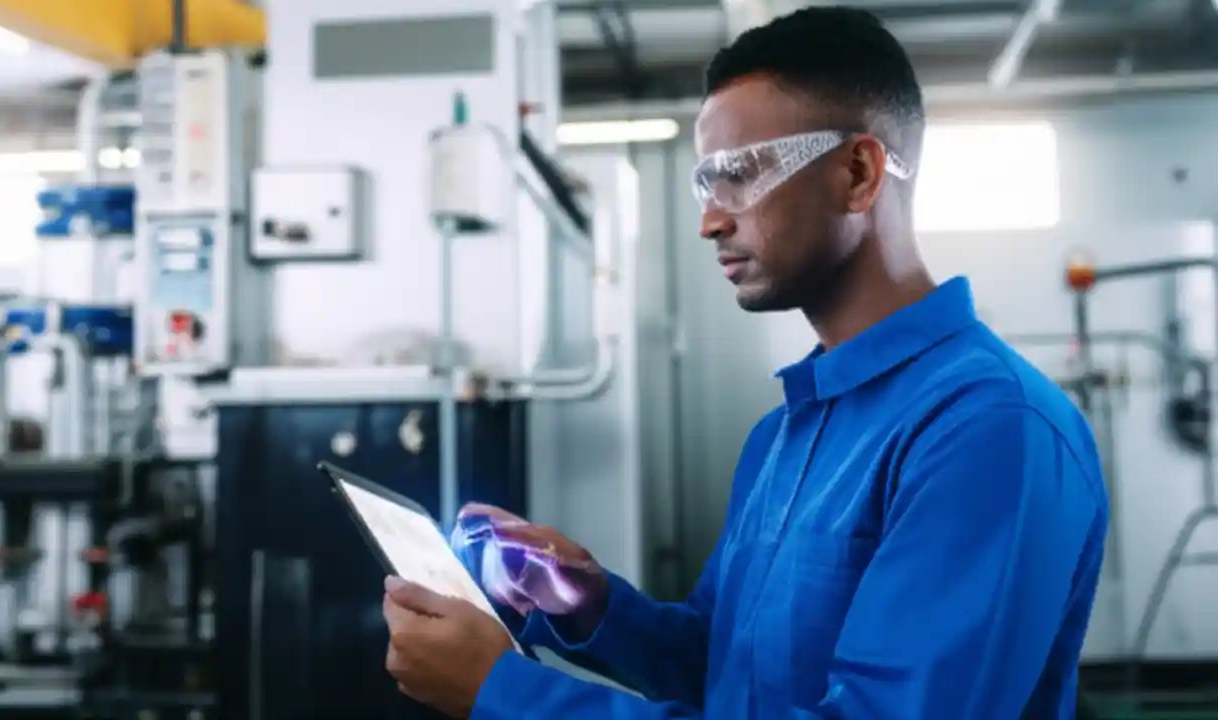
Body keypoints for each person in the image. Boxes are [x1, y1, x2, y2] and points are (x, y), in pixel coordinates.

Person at [380, 7, 1109, 719]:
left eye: (741, 174)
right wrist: (588, 604)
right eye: (705, 183)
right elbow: (727, 670)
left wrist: (504, 693)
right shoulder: (784, 435)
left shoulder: (987, 428)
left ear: (858, 173)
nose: (711, 219)